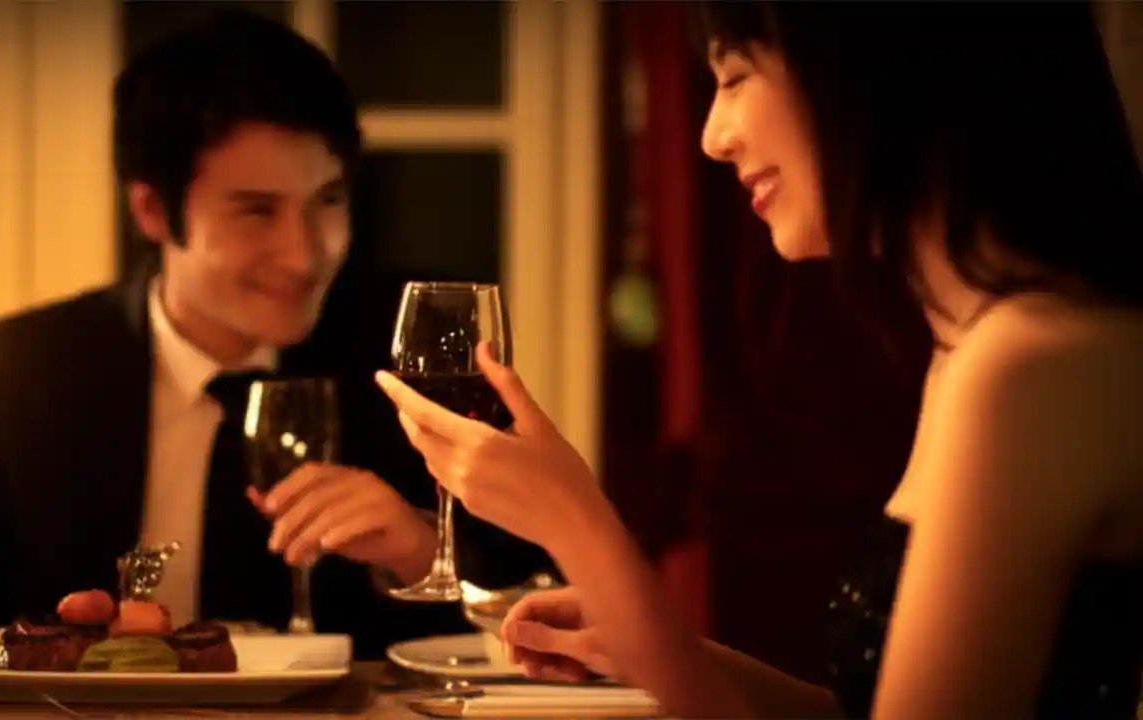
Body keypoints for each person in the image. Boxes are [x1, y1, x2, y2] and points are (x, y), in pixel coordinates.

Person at [375, 2, 1143, 716]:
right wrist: (649, 645)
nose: (714, 135)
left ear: (867, 68)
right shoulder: (974, 350)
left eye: (735, 76)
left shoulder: (1031, 364)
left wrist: (575, 521)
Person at [0, 10, 551, 658]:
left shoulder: (405, 351)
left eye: (328, 201)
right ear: (152, 210)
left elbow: (540, 599)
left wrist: (420, 549)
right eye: (257, 211)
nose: (305, 253)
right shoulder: (24, 369)